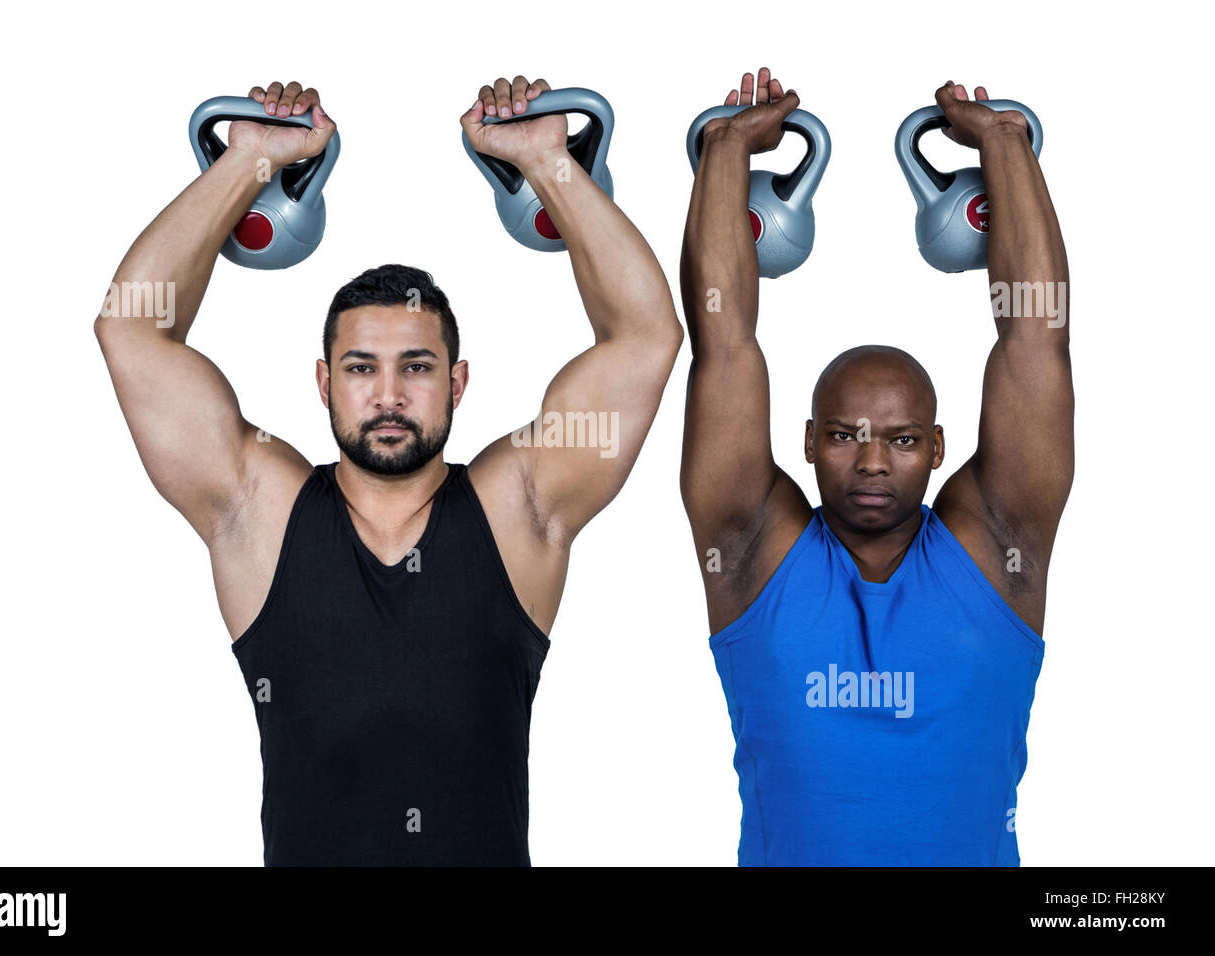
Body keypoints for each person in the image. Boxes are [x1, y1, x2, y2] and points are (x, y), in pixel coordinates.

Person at [94, 77, 683, 865]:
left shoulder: (520, 506)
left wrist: (548, 163)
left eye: (417, 366)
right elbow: (131, 329)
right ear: (324, 383)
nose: (390, 395)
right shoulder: (259, 511)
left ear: (458, 383)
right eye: (362, 369)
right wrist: (248, 164)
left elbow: (647, 337)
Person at [679, 68, 1072, 865]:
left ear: (936, 448)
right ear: (807, 442)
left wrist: (1003, 142)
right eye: (844, 435)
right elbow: (722, 343)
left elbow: (1036, 340)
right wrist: (724, 149)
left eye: (898, 440)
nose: (869, 461)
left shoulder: (1001, 549)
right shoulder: (751, 552)